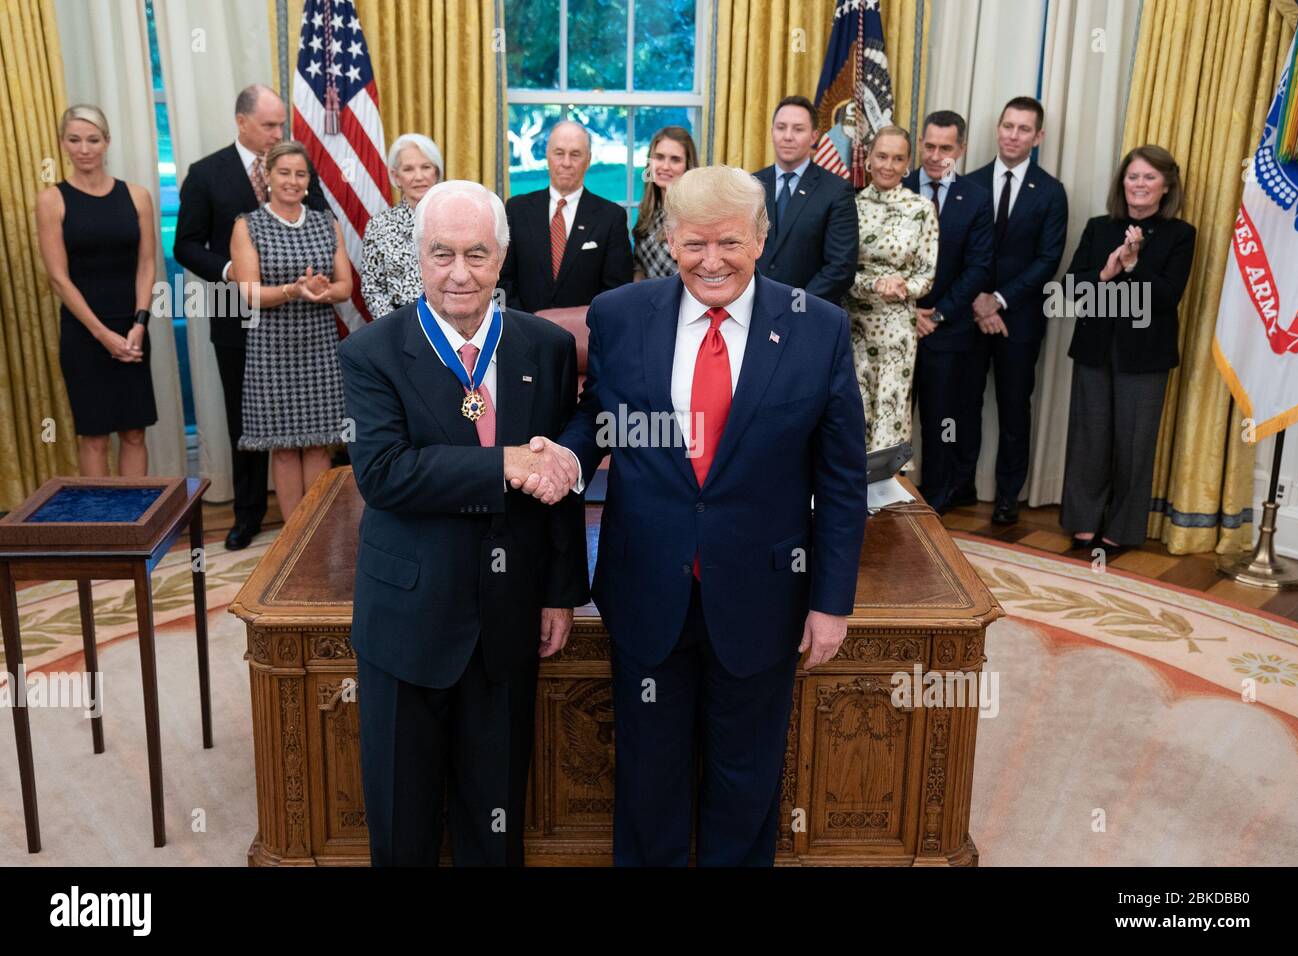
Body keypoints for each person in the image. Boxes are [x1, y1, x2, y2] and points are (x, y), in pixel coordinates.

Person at [534, 165, 868, 866]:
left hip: (763, 595)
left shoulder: (819, 329)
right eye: (693, 244)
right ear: (668, 237)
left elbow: (841, 480)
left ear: (761, 237)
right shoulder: (621, 315)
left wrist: (831, 601)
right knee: (648, 777)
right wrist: (564, 455)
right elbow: (601, 416)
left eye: (729, 243)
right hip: (647, 589)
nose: (711, 261)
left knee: (745, 780)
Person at [337, 180, 588, 866]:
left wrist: (559, 589)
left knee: (495, 819)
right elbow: (384, 473)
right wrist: (504, 462)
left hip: (509, 623)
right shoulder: (372, 352)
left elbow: (557, 484)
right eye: (441, 253)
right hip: (406, 622)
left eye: (476, 254)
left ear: (501, 257)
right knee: (404, 823)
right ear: (419, 256)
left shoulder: (545, 348)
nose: (458, 273)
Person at [173, 84, 329, 549]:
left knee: (306, 425)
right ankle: (248, 514)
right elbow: (184, 244)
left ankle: (312, 520)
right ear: (241, 122)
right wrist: (232, 271)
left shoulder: (296, 168)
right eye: (268, 124)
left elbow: (319, 222)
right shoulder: (206, 174)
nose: (276, 132)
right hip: (237, 317)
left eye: (281, 124)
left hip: (302, 319)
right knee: (249, 422)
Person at [1060, 146, 1195, 553]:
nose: (1139, 185)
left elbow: (1168, 296)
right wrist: (1107, 270)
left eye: (1149, 177)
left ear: (1166, 185)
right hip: (1094, 352)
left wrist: (1136, 266)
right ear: (1123, 183)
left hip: (1145, 358)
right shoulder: (1100, 227)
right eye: (1133, 176)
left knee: (1134, 447)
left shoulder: (1180, 234)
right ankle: (1083, 523)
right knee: (1089, 440)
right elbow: (1069, 289)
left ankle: (1122, 528)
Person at [229, 141, 350, 520]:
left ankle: (315, 531)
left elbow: (346, 285)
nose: (293, 181)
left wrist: (325, 291)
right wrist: (292, 291)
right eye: (284, 173)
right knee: (282, 448)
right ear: (267, 176)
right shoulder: (248, 224)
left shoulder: (324, 221)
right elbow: (247, 292)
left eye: (300, 174)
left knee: (317, 444)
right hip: (272, 348)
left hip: (319, 345)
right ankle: (291, 535)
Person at [35, 105, 158, 477]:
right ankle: (104, 530)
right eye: (74, 140)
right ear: (63, 144)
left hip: (132, 327)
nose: (84, 149)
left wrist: (139, 324)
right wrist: (102, 334)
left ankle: (138, 528)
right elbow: (58, 278)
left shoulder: (137, 196)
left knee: (135, 432)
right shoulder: (51, 200)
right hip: (84, 332)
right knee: (94, 436)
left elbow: (147, 264)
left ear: (107, 143)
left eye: (92, 139)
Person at [966, 96, 1069, 524]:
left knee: (1013, 409)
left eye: (1024, 129)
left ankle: (1008, 496)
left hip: (1018, 321)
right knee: (964, 407)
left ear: (1038, 137)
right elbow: (957, 252)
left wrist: (999, 300)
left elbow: (1048, 260)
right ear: (997, 128)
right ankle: (957, 486)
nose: (1013, 135)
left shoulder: (1050, 192)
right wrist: (976, 299)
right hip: (968, 316)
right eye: (1008, 125)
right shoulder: (968, 184)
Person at [902, 111, 993, 513]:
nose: (936, 156)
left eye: (946, 148)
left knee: (941, 422)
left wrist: (936, 315)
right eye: (930, 146)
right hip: (896, 327)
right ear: (920, 144)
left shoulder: (974, 198)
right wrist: (910, 314)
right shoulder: (897, 187)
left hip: (947, 330)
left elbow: (978, 268)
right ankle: (889, 498)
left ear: (962, 149)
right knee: (894, 418)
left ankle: (935, 502)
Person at [845, 125, 938, 453]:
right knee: (853, 410)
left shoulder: (922, 209)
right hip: (853, 324)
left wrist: (899, 287)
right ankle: (849, 497)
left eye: (898, 158)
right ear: (868, 159)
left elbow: (926, 276)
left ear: (908, 163)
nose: (888, 165)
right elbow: (840, 269)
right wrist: (873, 284)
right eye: (882, 156)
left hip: (897, 327)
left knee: (890, 413)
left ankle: (884, 498)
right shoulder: (850, 206)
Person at [499, 120, 634, 312]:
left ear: (588, 160)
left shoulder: (611, 217)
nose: (566, 163)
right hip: (524, 334)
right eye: (559, 153)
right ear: (547, 156)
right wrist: (521, 326)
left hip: (586, 337)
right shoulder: (516, 209)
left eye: (575, 154)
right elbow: (502, 279)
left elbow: (617, 291)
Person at [753, 95, 857, 306]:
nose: (788, 136)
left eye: (798, 129)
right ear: (772, 131)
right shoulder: (750, 185)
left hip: (806, 313)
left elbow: (841, 267)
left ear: (814, 136)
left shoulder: (836, 191)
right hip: (754, 308)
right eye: (781, 127)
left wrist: (796, 304)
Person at [361, 133, 444, 318]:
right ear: (396, 176)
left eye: (426, 167)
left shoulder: (455, 220)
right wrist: (395, 328)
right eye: (408, 169)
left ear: (436, 172)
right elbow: (372, 288)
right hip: (398, 323)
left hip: (451, 322)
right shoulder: (379, 226)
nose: (419, 176)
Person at [632, 126, 697, 280]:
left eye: (675, 159)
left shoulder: (695, 215)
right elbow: (639, 267)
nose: (665, 166)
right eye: (659, 157)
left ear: (688, 166)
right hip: (648, 299)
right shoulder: (649, 211)